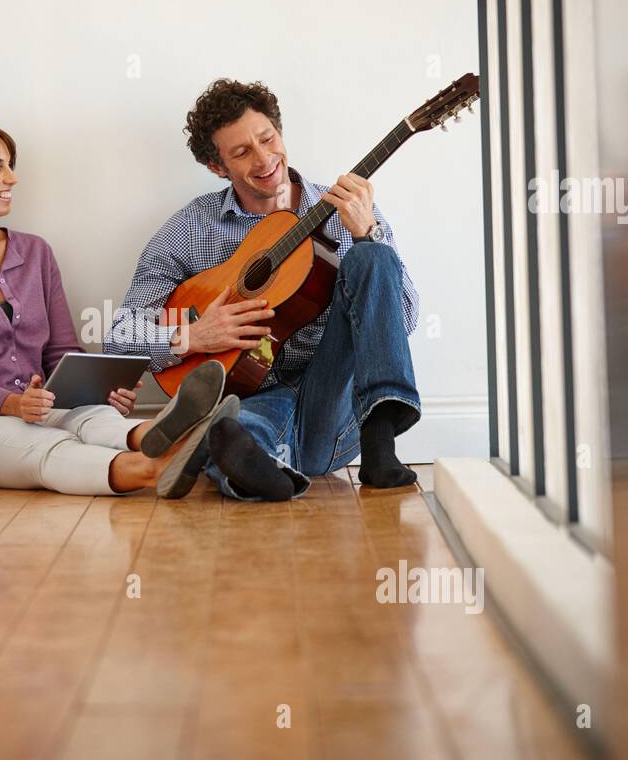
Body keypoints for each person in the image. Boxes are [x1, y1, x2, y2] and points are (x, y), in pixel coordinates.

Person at [104, 80, 421, 501]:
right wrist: (192, 337)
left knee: (372, 258)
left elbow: (405, 319)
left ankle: (382, 442)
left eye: (267, 138)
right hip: (254, 400)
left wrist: (368, 233)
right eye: (241, 152)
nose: (264, 158)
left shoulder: (347, 208)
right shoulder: (190, 229)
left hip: (336, 401)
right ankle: (260, 473)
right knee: (225, 434)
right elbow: (119, 336)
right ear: (217, 167)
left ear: (280, 132)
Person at [0, 117, 235, 499]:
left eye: (10, 165)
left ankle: (162, 432)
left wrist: (98, 389)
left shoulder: (34, 252)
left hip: (37, 405)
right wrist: (12, 404)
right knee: (40, 447)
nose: (12, 178)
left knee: (93, 416)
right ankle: (153, 468)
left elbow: (60, 354)